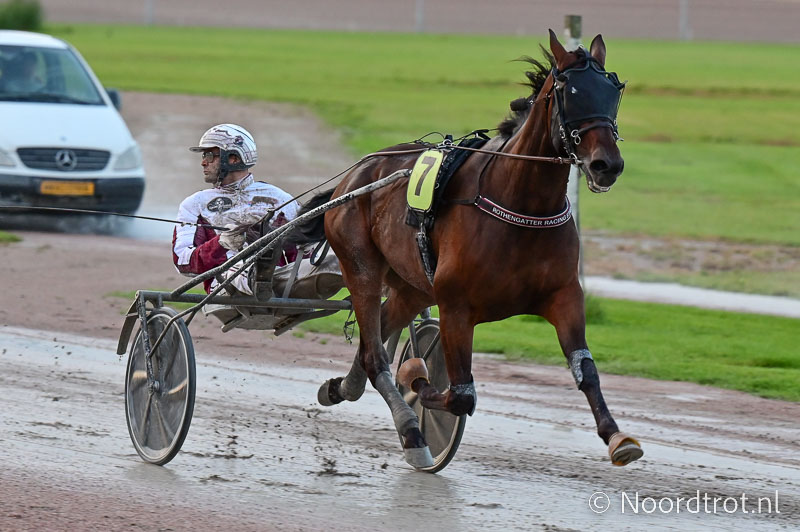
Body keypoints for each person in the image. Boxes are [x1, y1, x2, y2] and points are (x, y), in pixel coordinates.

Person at [172, 123, 342, 309]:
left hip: (278, 282)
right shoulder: (195, 204)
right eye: (204, 156)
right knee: (239, 269)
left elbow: (308, 250)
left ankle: (372, 282)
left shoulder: (279, 199)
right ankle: (256, 275)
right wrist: (221, 243)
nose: (203, 162)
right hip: (224, 287)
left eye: (210, 155)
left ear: (234, 158)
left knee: (335, 260)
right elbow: (183, 263)